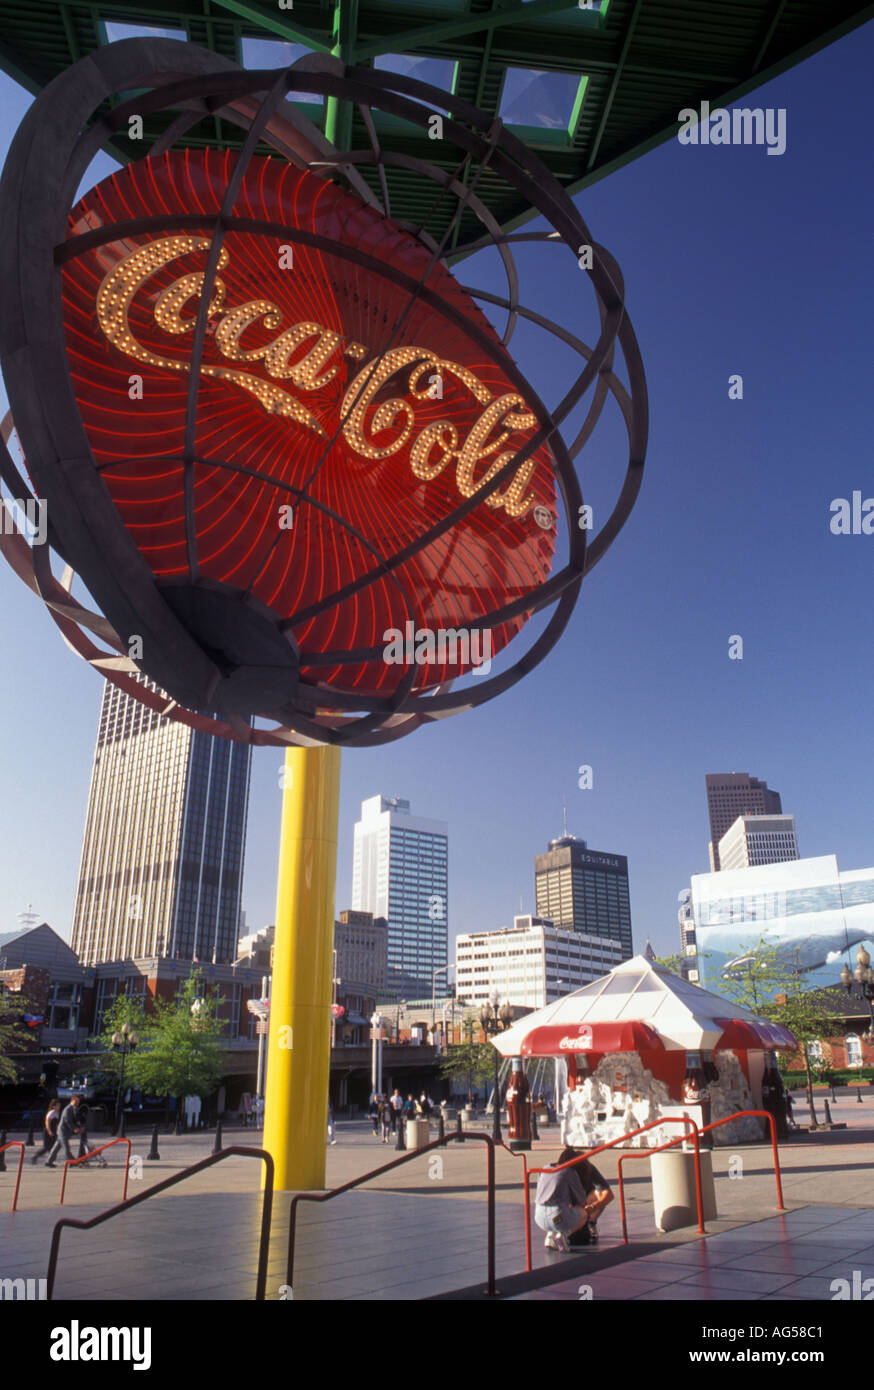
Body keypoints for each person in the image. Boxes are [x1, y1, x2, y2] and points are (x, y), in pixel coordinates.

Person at [534, 1148, 613, 1253]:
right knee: (581, 1213)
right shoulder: (569, 1172)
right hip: (558, 1216)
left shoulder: (546, 1168)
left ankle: (551, 1235)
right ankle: (563, 1234)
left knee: (557, 1214)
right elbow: (581, 1200)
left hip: (539, 1217)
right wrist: (587, 1207)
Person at [44, 1095, 84, 1167]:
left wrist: (78, 1127)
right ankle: (72, 1162)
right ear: (72, 1101)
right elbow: (67, 1121)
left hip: (63, 1131)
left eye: (79, 1101)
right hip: (63, 1131)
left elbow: (74, 1120)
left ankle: (49, 1161)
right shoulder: (68, 1109)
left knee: (56, 1147)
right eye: (77, 1101)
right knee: (66, 1147)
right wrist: (74, 1128)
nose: (78, 1103)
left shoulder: (72, 1109)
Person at [32, 1098, 60, 1163]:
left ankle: (50, 1161)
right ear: (53, 1106)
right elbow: (47, 1123)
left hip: (53, 1131)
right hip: (48, 1131)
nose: (58, 1107)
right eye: (57, 1105)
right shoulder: (51, 1113)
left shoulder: (57, 1113)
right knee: (46, 1147)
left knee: (53, 1147)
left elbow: (56, 1124)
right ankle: (36, 1156)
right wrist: (49, 1131)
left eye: (59, 1105)